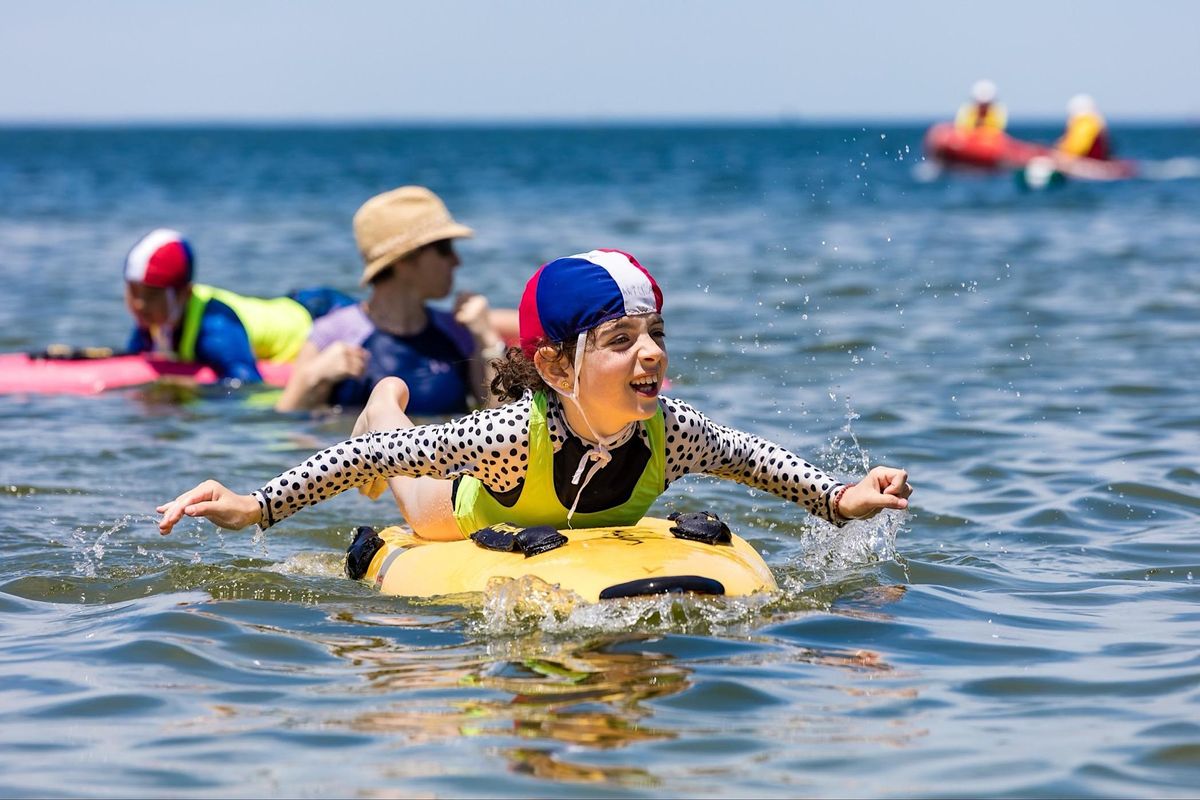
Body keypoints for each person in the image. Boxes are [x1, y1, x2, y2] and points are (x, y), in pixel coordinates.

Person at [158, 249, 912, 548]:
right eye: (620, 341)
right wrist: (256, 506)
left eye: (654, 332)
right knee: (395, 448)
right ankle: (385, 394)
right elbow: (374, 457)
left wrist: (843, 498)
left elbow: (757, 461)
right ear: (556, 367)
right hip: (452, 514)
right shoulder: (511, 436)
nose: (650, 353)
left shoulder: (671, 432)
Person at [274, 186, 518, 414]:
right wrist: (315, 377)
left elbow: (501, 426)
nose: (456, 261)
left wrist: (487, 340)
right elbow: (287, 427)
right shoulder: (332, 334)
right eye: (444, 248)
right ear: (405, 259)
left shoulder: (458, 334)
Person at [123, 228, 355, 384]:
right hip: (294, 305)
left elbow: (246, 382)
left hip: (324, 315)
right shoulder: (153, 318)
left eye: (153, 295)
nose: (140, 304)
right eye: (133, 291)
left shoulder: (215, 329)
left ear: (185, 293)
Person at [1055, 94, 1111, 161]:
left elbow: (1078, 148)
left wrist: (1059, 150)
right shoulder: (1096, 121)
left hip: (1087, 162)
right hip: (1093, 161)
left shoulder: (1086, 123)